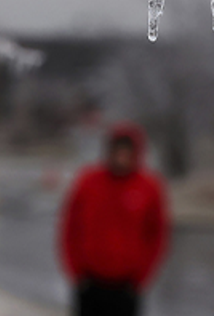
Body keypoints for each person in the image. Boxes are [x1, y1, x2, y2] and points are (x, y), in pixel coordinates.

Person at [59, 122, 170, 316]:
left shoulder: (148, 187)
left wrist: (141, 277)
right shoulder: (88, 182)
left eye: (127, 153)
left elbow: (157, 235)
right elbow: (70, 226)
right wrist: (75, 270)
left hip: (126, 286)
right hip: (89, 282)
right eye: (118, 151)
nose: (121, 158)